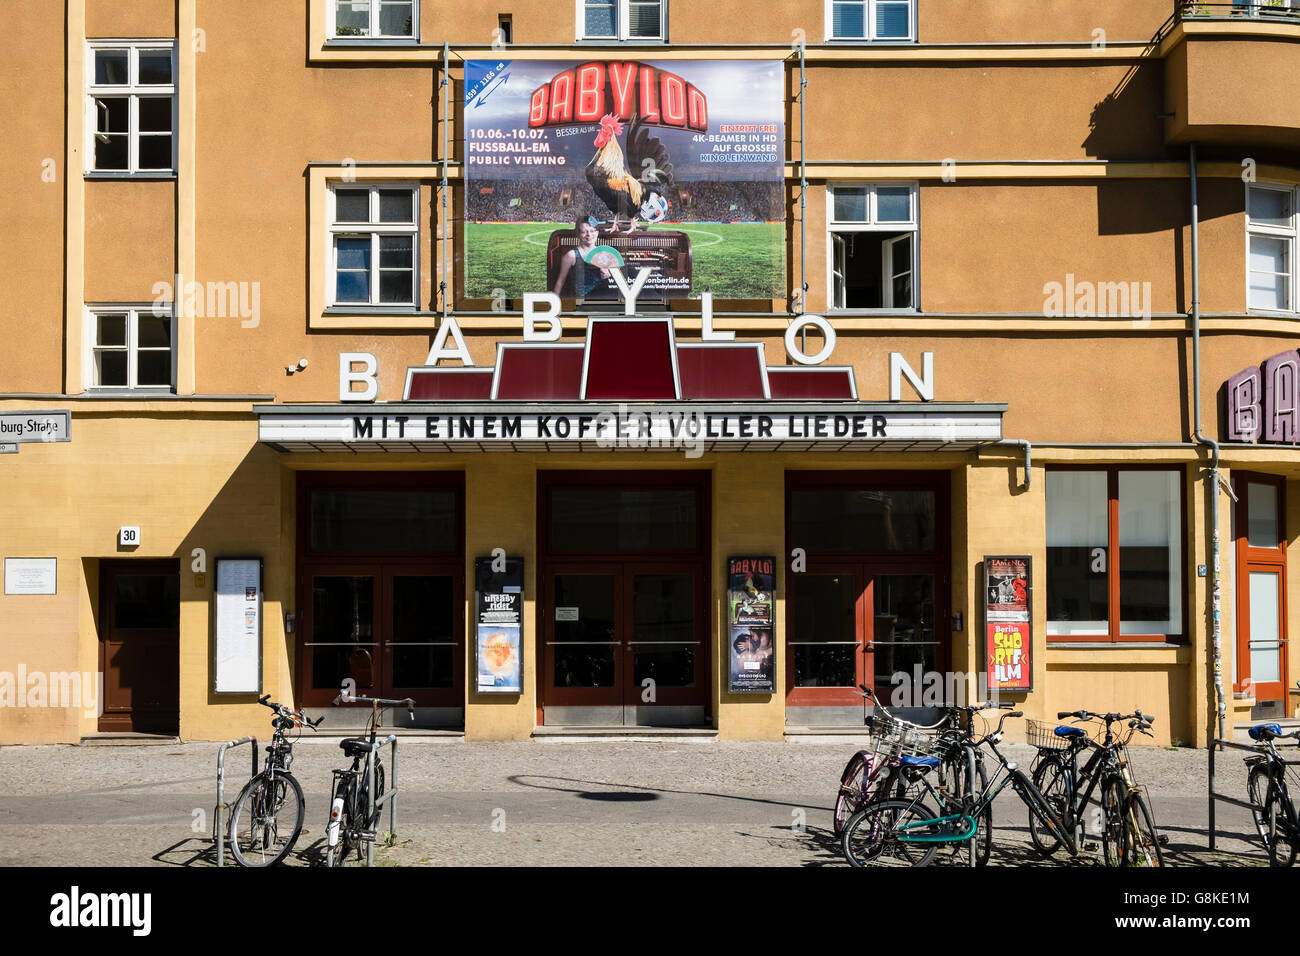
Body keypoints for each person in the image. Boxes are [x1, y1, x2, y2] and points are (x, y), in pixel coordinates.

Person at [552, 216, 610, 296]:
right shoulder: (571, 255)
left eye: (592, 231)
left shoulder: (603, 254)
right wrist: (554, 304)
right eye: (584, 232)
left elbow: (609, 284)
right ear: (578, 234)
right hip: (579, 302)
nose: (589, 235)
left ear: (597, 233)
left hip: (600, 300)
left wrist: (607, 276)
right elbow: (560, 282)